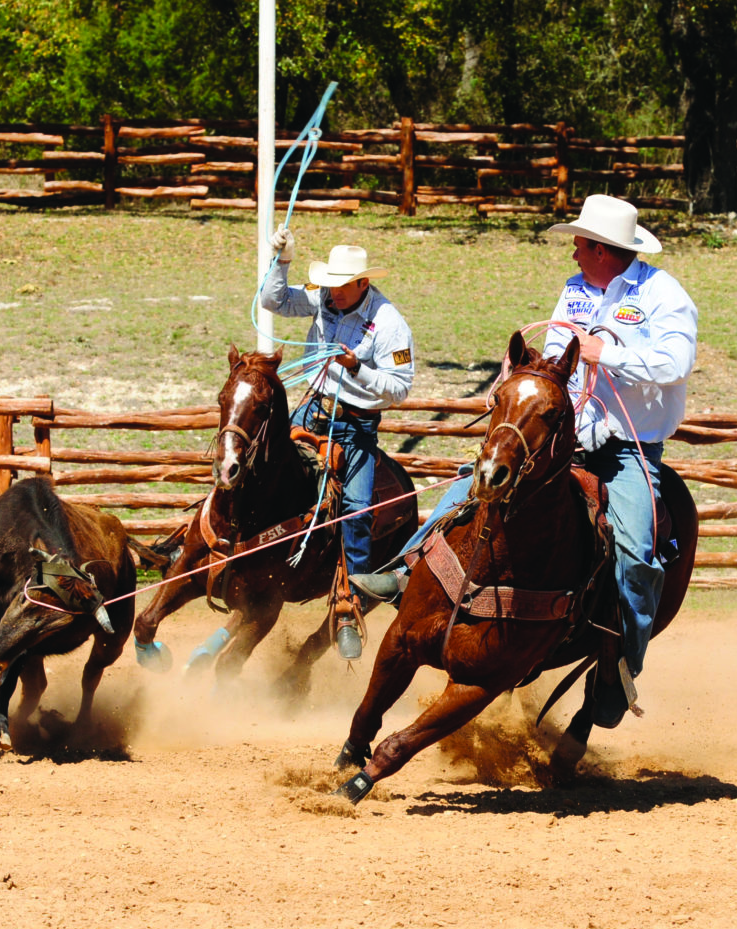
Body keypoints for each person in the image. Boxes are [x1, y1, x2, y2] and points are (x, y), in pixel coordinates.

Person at [351, 194, 697, 716]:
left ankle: (620, 664)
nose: (574, 254)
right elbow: (553, 356)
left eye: (580, 245)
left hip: (630, 450)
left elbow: (676, 362)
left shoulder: (664, 295)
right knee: (476, 480)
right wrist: (516, 380)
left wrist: (611, 353)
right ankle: (405, 570)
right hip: (565, 436)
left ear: (605, 250)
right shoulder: (576, 290)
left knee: (635, 547)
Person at [261, 229, 415, 660]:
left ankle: (350, 603)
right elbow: (273, 301)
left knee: (356, 509)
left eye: (341, 286)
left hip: (354, 428)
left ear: (363, 283)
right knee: (259, 465)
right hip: (310, 412)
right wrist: (282, 261)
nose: (332, 294)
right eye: (329, 285)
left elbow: (399, 389)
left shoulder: (388, 323)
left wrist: (357, 369)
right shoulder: (324, 298)